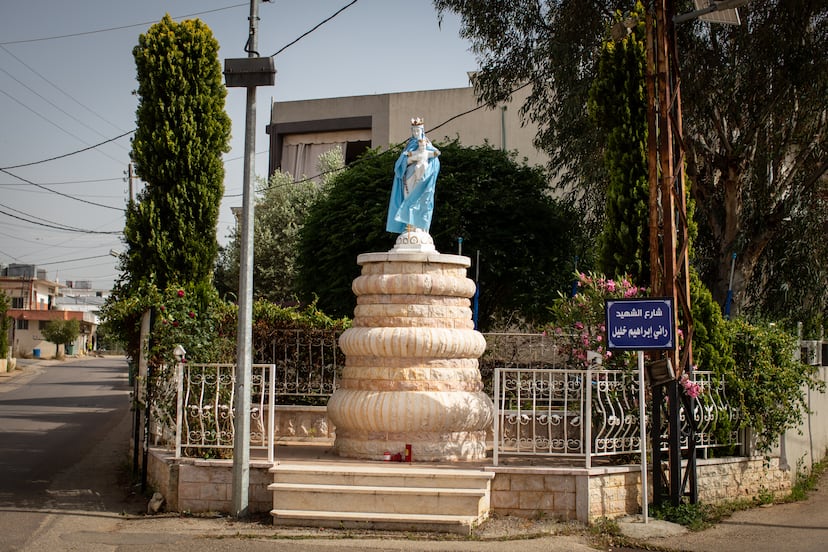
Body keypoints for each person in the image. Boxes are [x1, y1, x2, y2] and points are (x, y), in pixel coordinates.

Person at [385, 117, 441, 234]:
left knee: (421, 199)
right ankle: (409, 225)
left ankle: (420, 225)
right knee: (408, 198)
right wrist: (410, 160)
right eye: (414, 131)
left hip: (422, 178)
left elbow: (435, 158)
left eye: (418, 130)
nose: (416, 133)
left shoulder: (427, 145)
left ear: (422, 130)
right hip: (409, 177)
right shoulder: (409, 146)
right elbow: (401, 163)